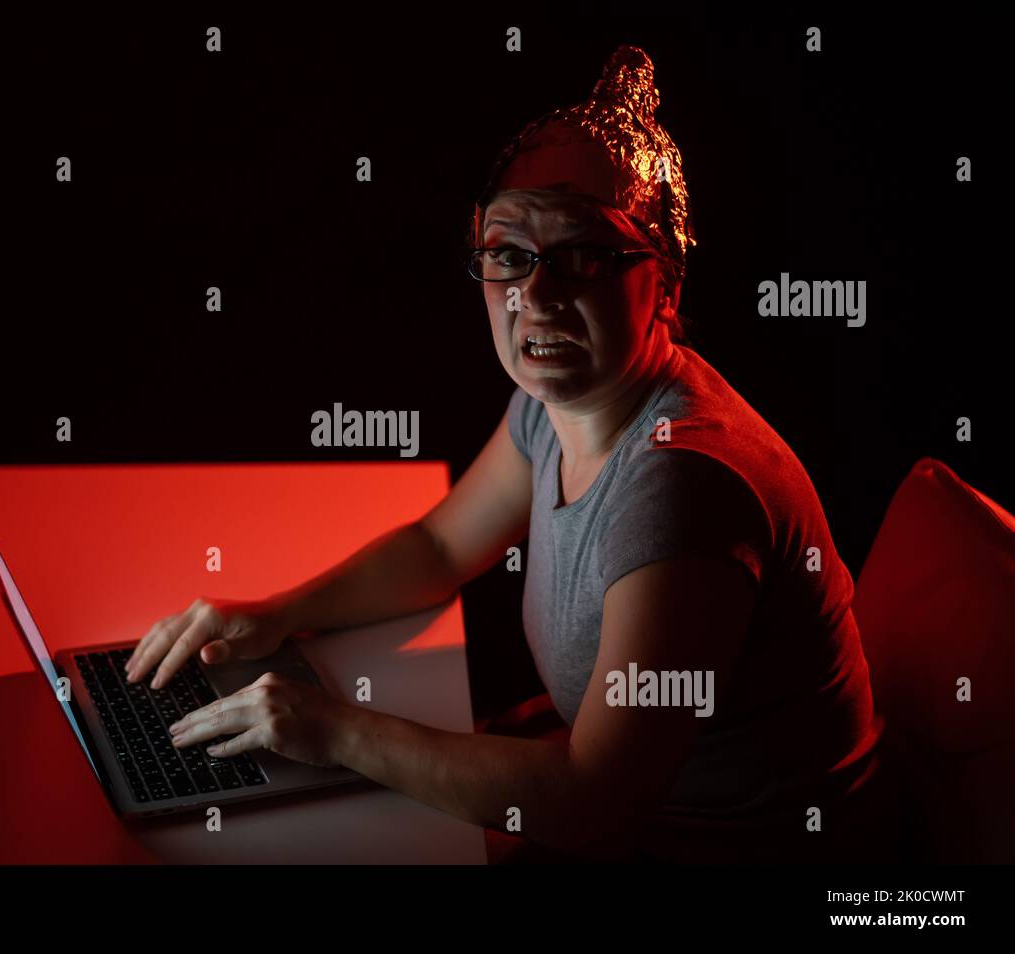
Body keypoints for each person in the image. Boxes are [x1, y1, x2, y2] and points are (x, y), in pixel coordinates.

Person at [124, 45, 898, 863]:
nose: (537, 293)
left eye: (585, 254)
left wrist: (334, 729)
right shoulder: (552, 402)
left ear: (664, 286)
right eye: (508, 253)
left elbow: (592, 797)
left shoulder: (679, 485)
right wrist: (274, 613)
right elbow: (439, 548)